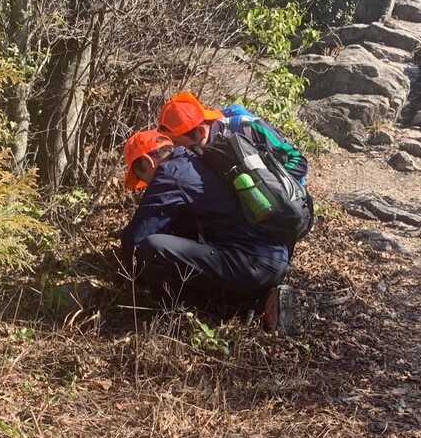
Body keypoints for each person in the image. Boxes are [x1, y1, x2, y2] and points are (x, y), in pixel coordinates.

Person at [121, 91, 295, 325]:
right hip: (272, 254)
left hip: (251, 262)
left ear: (149, 162)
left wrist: (123, 279)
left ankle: (200, 312)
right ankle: (255, 298)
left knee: (153, 247)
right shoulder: (198, 159)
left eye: (142, 176)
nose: (146, 185)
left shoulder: (169, 175)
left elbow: (138, 238)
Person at [158, 91, 308, 186]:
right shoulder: (195, 155)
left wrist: (269, 184)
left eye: (178, 142)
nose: (176, 148)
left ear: (201, 132)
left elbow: (298, 161)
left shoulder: (247, 127)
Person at [122, 128, 175, 193]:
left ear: (148, 161)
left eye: (139, 177)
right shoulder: (189, 157)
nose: (147, 184)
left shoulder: (165, 196)